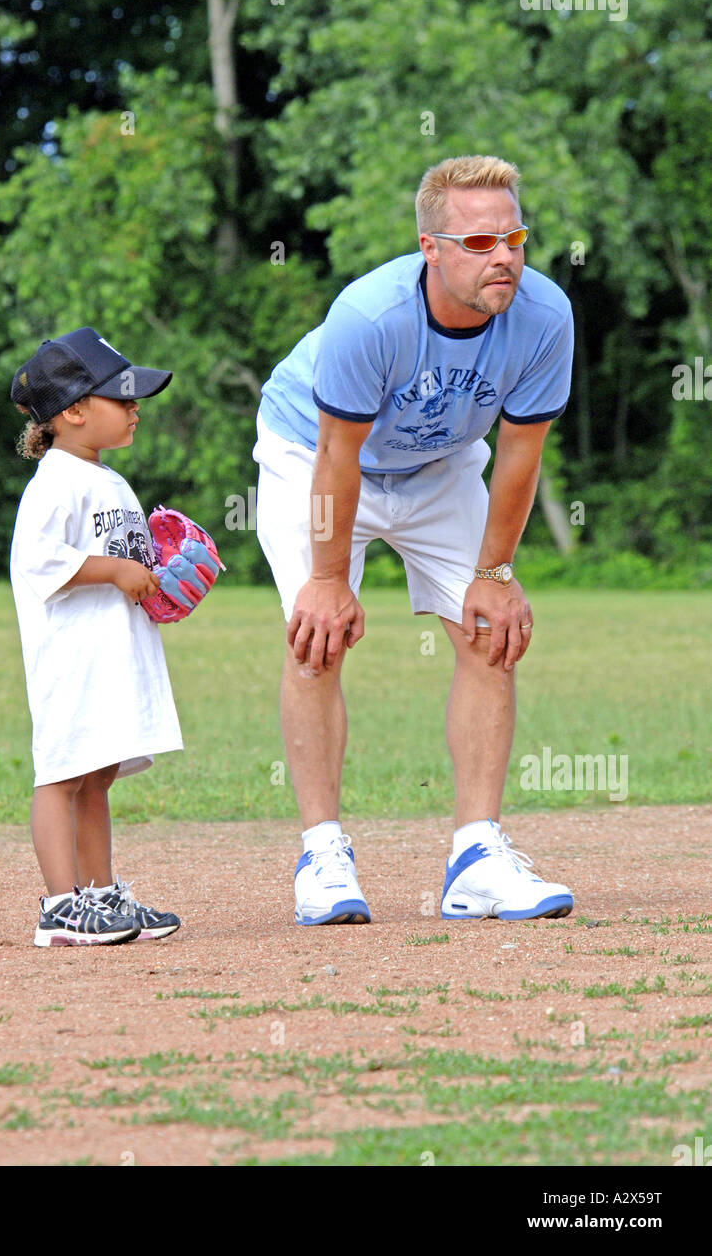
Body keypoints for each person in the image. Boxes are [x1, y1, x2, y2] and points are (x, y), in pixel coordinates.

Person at [254, 155, 575, 926]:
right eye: (478, 242)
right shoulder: (370, 316)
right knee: (316, 636)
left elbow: (522, 455)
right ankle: (323, 856)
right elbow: (338, 454)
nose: (503, 257)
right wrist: (329, 580)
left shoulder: (544, 316)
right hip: (318, 454)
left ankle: (476, 858)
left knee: (489, 630)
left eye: (515, 238)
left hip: (435, 464)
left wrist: (495, 572)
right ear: (430, 248)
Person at [9, 326, 183, 946]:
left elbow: (126, 560)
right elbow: (36, 560)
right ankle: (59, 907)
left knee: (97, 773)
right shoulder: (56, 481)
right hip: (71, 660)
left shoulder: (105, 479)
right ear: (74, 411)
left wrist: (157, 576)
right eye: (124, 399)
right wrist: (114, 570)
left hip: (111, 654)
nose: (136, 409)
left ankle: (100, 894)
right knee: (61, 773)